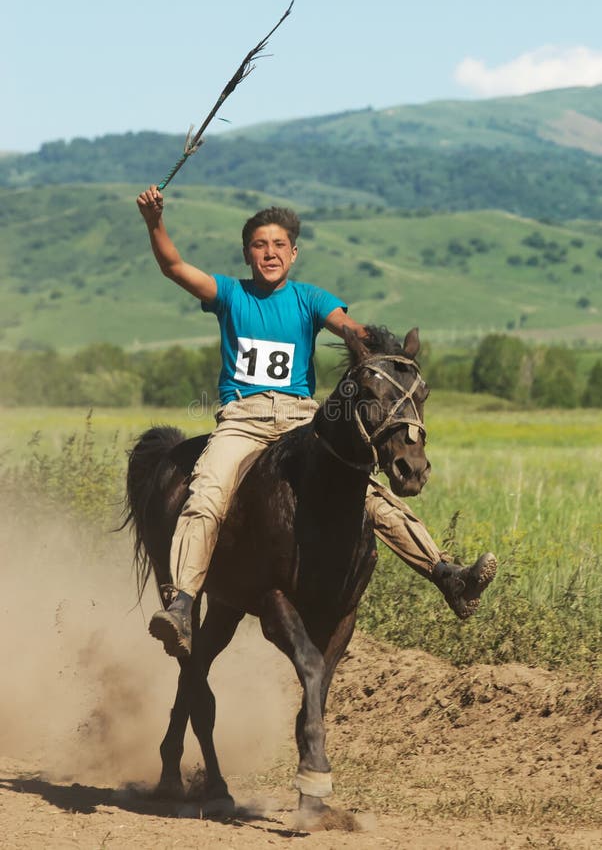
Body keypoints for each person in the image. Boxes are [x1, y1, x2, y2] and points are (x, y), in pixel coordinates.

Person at [136, 186, 497, 657]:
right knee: (206, 494)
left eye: (279, 245)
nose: (270, 253)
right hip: (243, 420)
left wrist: (383, 350)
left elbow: (352, 329)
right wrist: (154, 221)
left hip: (300, 420)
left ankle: (447, 574)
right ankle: (182, 604)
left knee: (374, 498)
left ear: (294, 253)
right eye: (260, 245)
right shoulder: (230, 294)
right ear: (246, 253)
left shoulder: (309, 299)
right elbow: (173, 267)